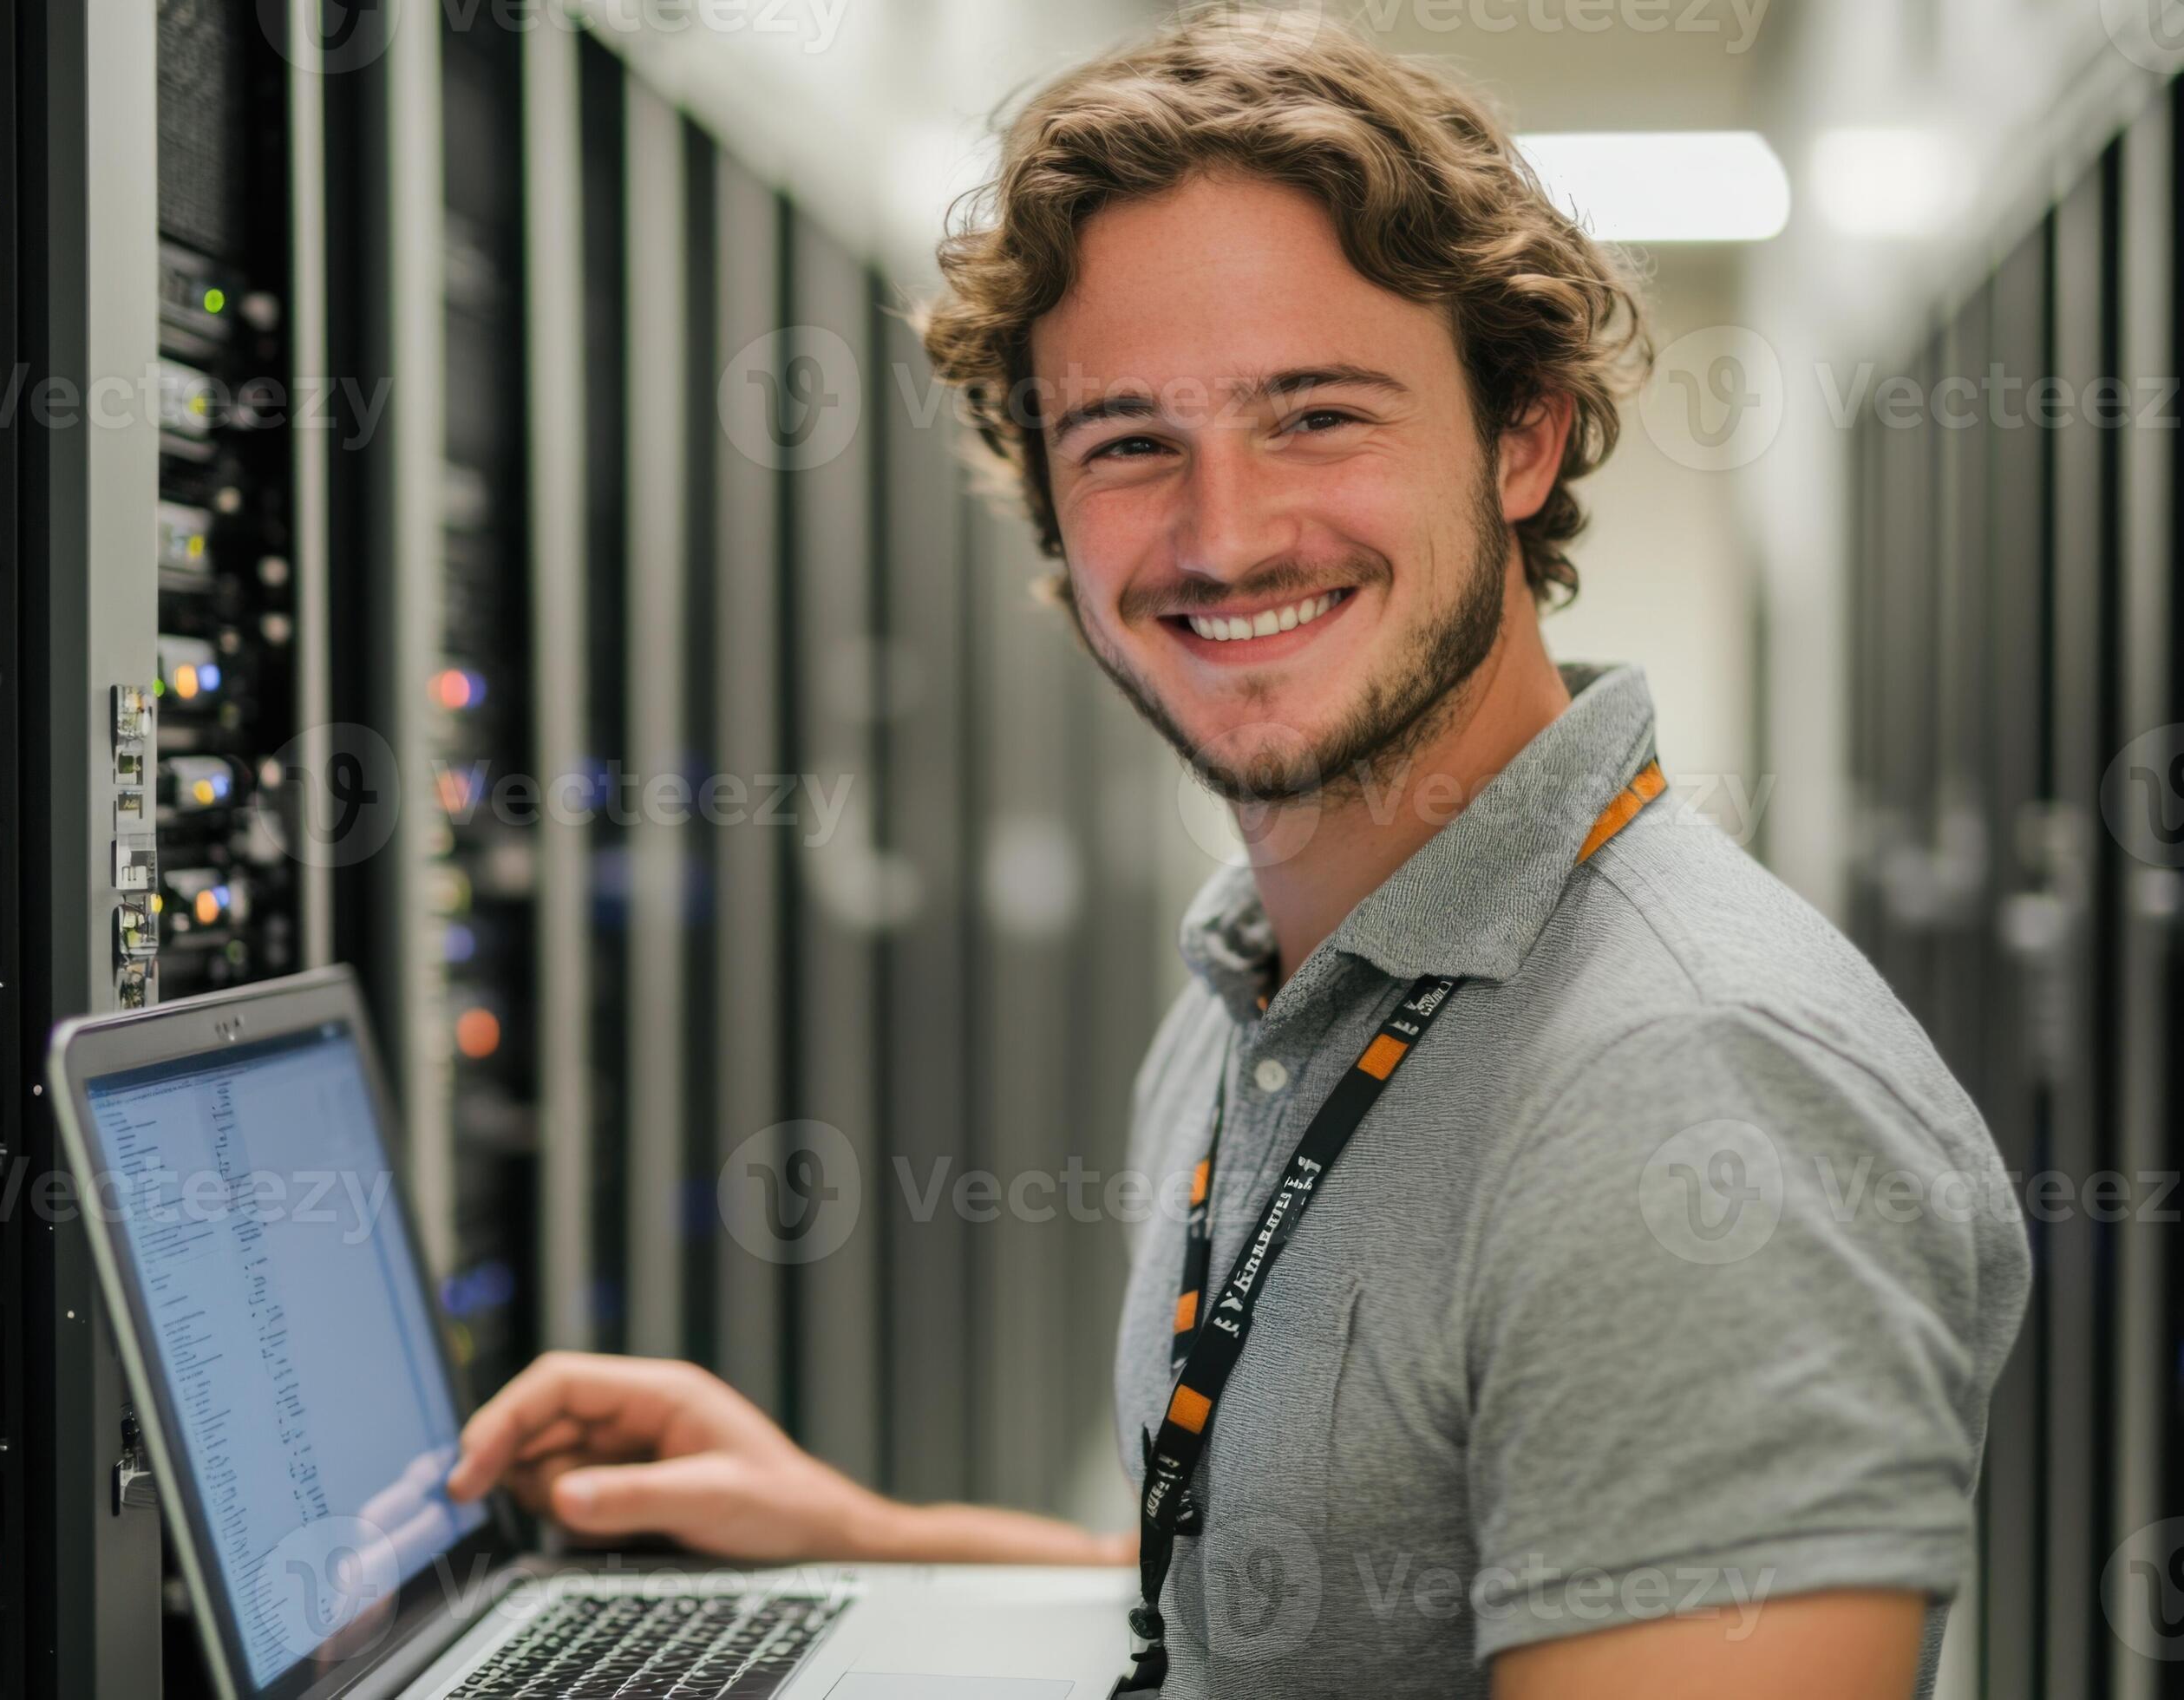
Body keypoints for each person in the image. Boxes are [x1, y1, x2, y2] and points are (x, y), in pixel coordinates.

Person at [444, 8, 2031, 1696]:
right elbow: (1312, 1625)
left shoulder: (1691, 1094)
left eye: (1316, 414)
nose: (1223, 533)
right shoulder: (1266, 987)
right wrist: (853, 1526)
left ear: (1525, 433)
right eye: (1129, 442)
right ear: (1050, 501)